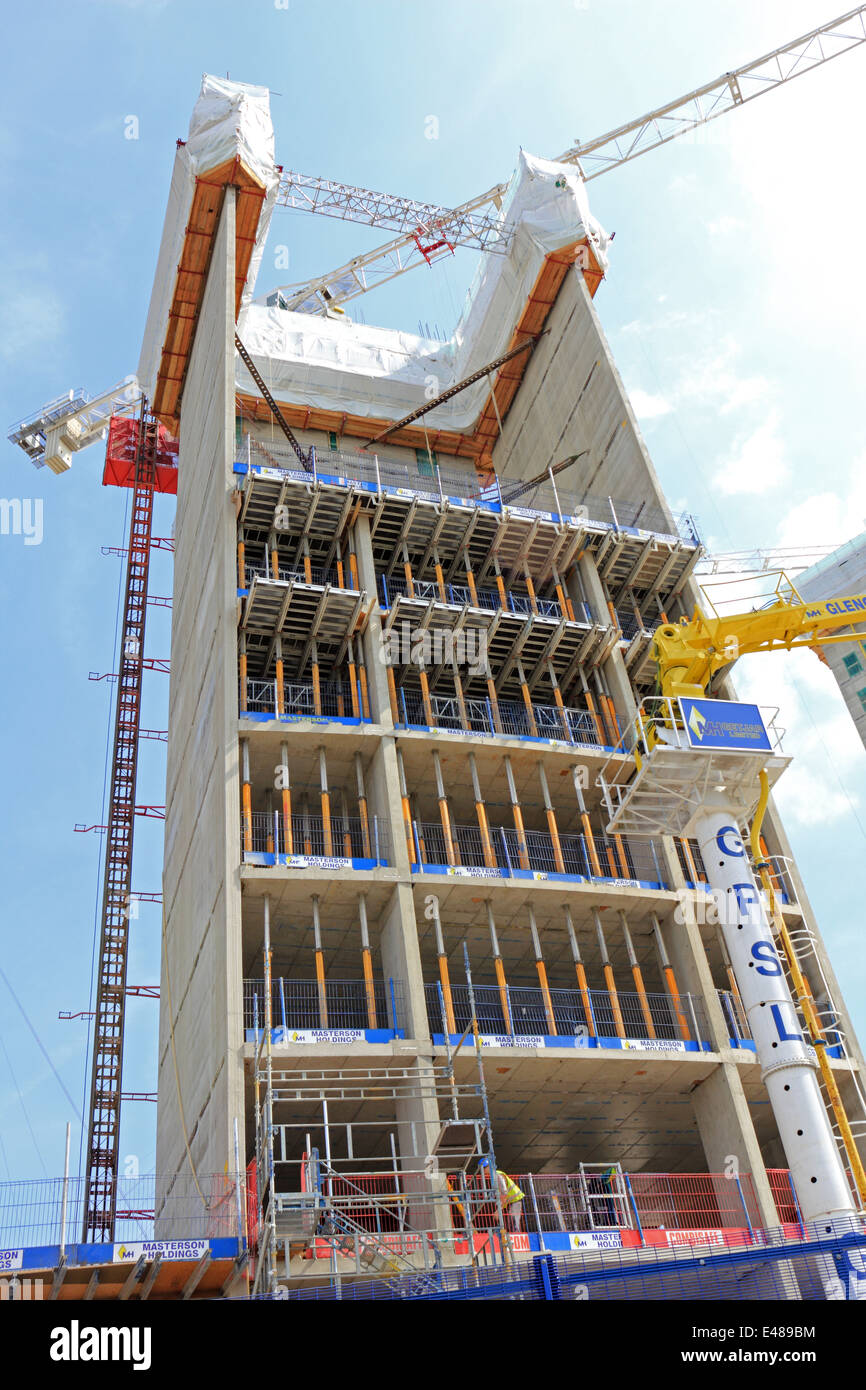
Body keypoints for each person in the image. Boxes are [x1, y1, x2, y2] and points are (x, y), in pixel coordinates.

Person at [479, 1158, 525, 1232]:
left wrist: (498, 1210)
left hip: (515, 1200)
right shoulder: (494, 1177)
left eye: (483, 1168)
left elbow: (504, 1193)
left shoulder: (497, 1176)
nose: (482, 1171)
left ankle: (515, 1238)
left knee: (513, 1223)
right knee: (509, 1224)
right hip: (510, 1202)